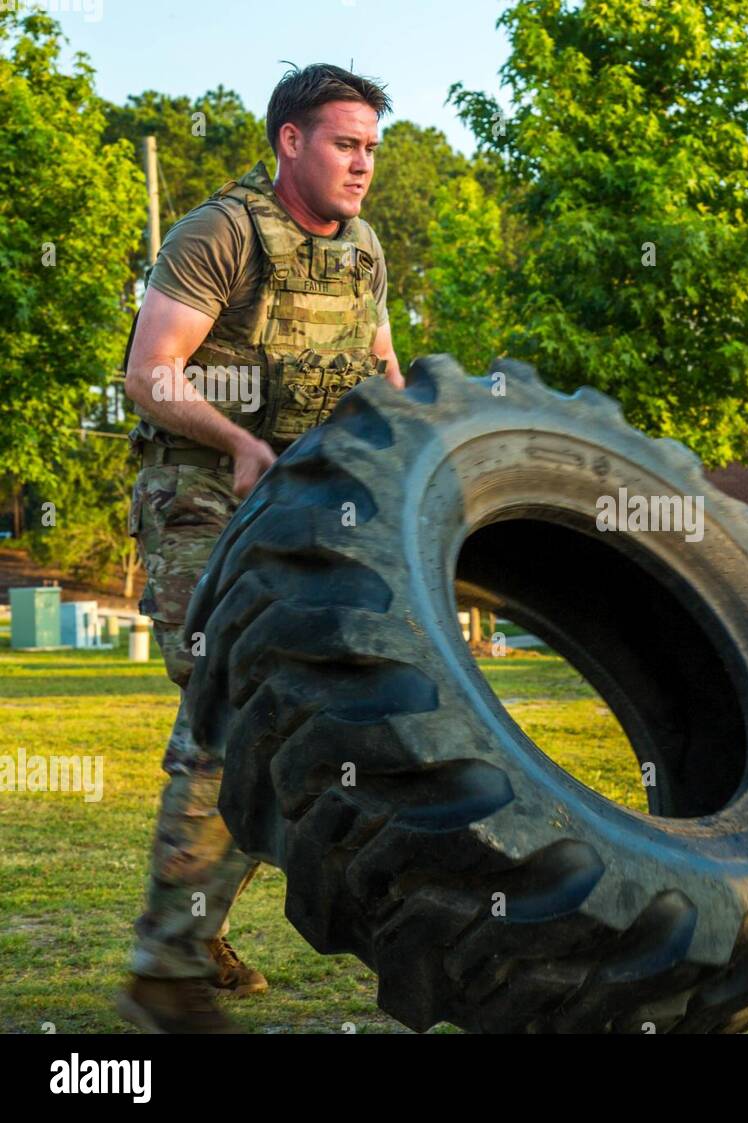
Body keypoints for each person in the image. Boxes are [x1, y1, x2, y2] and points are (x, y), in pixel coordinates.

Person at [116, 62, 403, 1033]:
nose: (362, 165)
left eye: (371, 147)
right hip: (200, 499)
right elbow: (148, 375)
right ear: (289, 141)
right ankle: (166, 969)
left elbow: (383, 375)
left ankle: (195, 922)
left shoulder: (361, 246)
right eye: (343, 143)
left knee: (314, 731)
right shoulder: (221, 232)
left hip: (307, 507)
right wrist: (239, 442)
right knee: (230, 713)